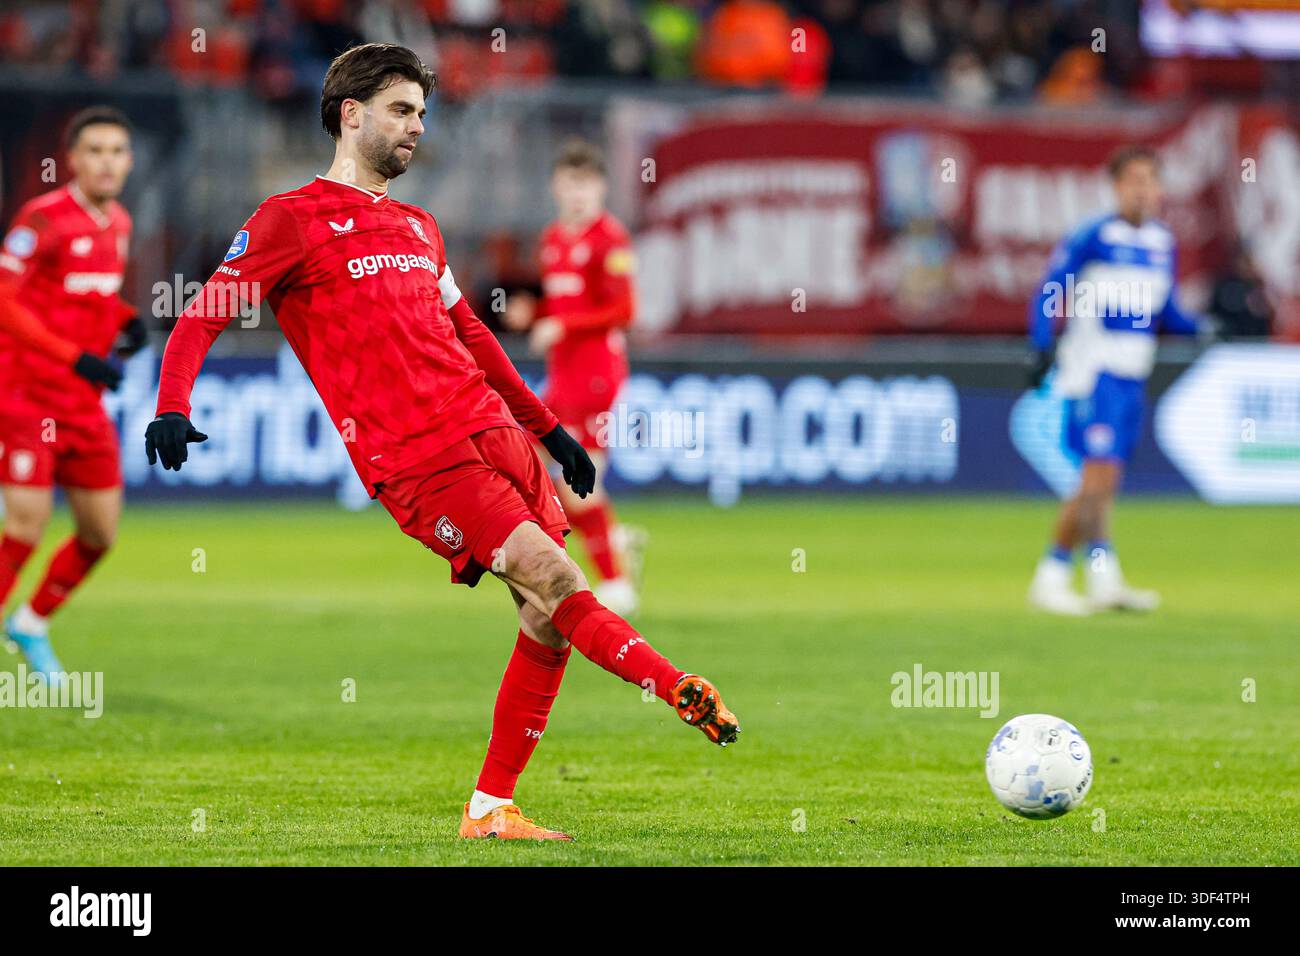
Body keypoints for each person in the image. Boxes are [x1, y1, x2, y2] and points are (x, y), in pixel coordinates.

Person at [145, 43, 739, 841]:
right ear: (350, 114)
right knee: (553, 573)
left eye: (422, 113)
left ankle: (491, 807)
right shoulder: (289, 219)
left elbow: (474, 338)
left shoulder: (421, 228)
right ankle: (675, 686)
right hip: (416, 457)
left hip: (495, 433)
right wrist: (172, 404)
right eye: (401, 110)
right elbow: (203, 313)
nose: (417, 127)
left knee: (542, 616)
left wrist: (549, 430)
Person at [0, 106, 145, 680]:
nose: (106, 162)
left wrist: (126, 318)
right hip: (27, 395)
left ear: (128, 162)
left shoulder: (121, 225)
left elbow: (91, 297)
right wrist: (75, 357)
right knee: (27, 525)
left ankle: (31, 623)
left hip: (82, 404)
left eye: (116, 152)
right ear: (73, 161)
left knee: (99, 532)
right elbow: (5, 301)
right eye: (95, 151)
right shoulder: (42, 219)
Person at [1026, 145, 1202, 616]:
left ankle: (1104, 578)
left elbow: (1163, 310)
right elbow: (1052, 286)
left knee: (1107, 481)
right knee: (1095, 477)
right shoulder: (1095, 235)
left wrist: (1203, 327)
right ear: (1117, 186)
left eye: (1151, 180)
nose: (1144, 189)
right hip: (1095, 370)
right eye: (1134, 180)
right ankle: (1052, 573)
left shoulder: (1162, 242)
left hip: (1131, 373)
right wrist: (1041, 342)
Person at [504, 139, 642, 616]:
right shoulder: (553, 239)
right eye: (570, 184)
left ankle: (616, 580)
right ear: (556, 188)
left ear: (601, 188)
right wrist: (537, 312)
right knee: (534, 462)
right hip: (563, 375)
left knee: (579, 477)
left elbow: (623, 310)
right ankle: (611, 543)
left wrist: (562, 325)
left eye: (587, 185)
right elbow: (567, 304)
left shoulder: (610, 239)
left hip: (598, 375)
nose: (579, 194)